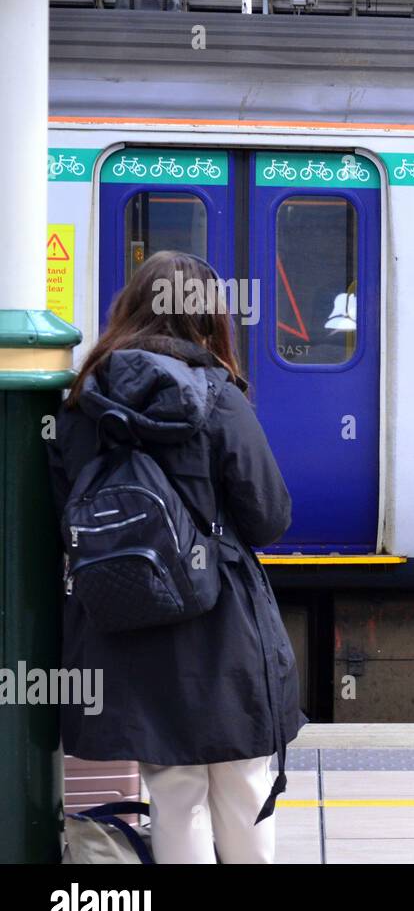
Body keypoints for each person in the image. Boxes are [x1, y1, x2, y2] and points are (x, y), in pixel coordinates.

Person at [48, 250, 307, 863]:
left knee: (173, 793)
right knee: (243, 786)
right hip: (220, 624)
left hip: (125, 620)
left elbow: (65, 517)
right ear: (209, 317)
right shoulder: (218, 397)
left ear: (129, 308)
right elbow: (269, 517)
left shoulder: (82, 402)